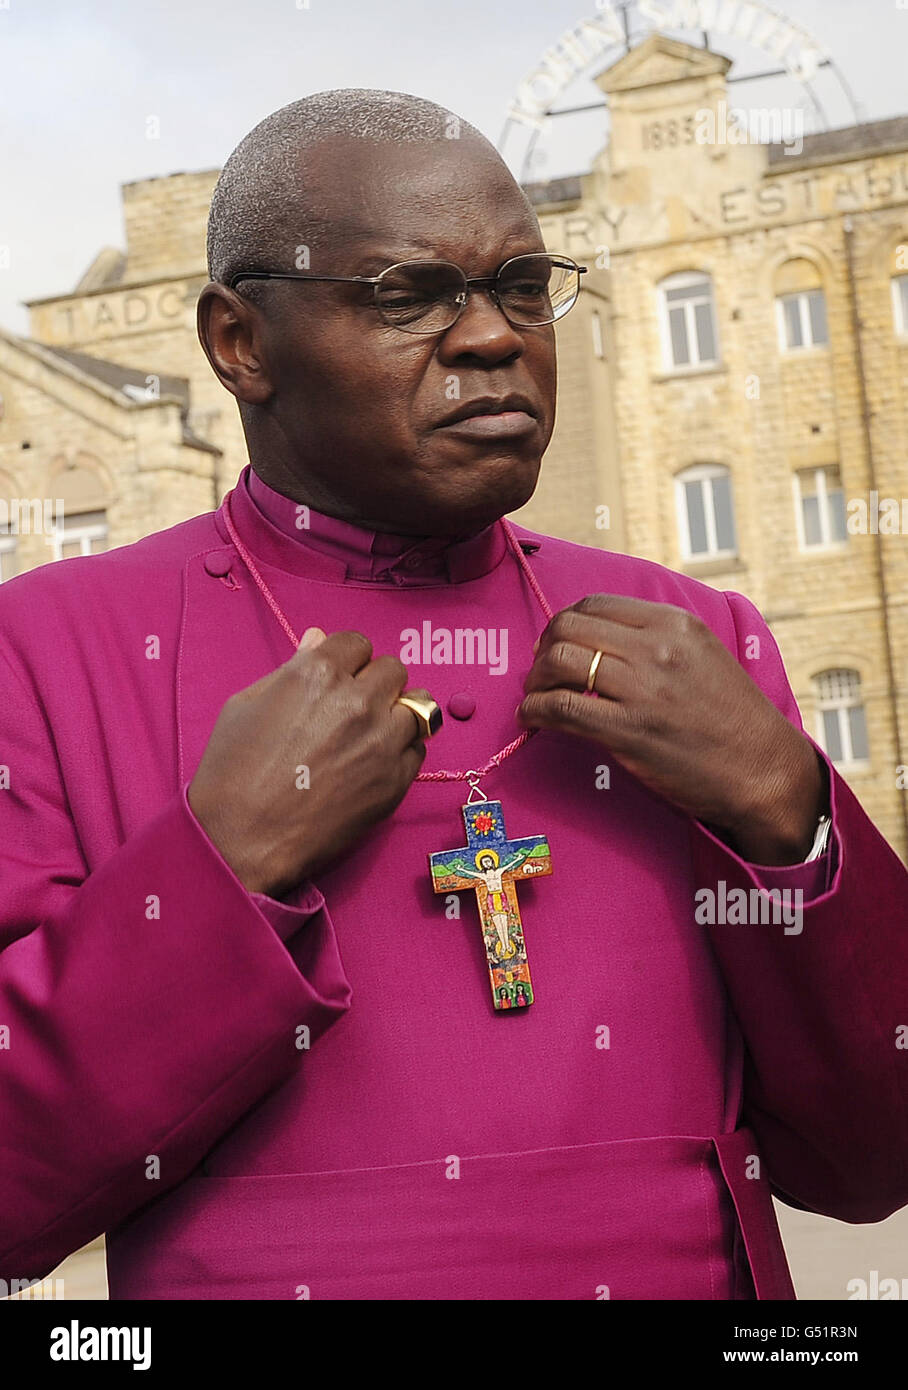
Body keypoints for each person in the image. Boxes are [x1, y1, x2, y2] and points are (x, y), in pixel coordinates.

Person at [1, 88, 905, 1301]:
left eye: (522, 287)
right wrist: (220, 868)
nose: (492, 338)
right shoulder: (50, 649)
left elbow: (870, 1164)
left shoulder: (700, 636)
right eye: (407, 293)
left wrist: (788, 814)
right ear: (239, 343)